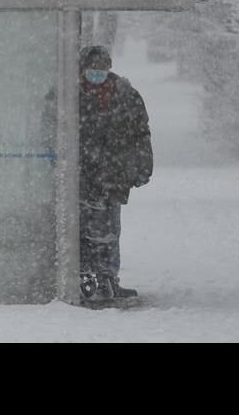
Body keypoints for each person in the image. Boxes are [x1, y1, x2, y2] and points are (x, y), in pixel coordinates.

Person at [78, 46, 153, 300]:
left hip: (113, 173)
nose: (97, 74)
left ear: (109, 68)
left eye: (101, 69)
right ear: (82, 70)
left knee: (109, 228)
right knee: (83, 228)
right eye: (92, 70)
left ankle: (107, 278)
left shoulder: (126, 96)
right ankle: (86, 277)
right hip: (81, 175)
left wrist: (143, 167)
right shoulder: (70, 96)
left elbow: (141, 134)